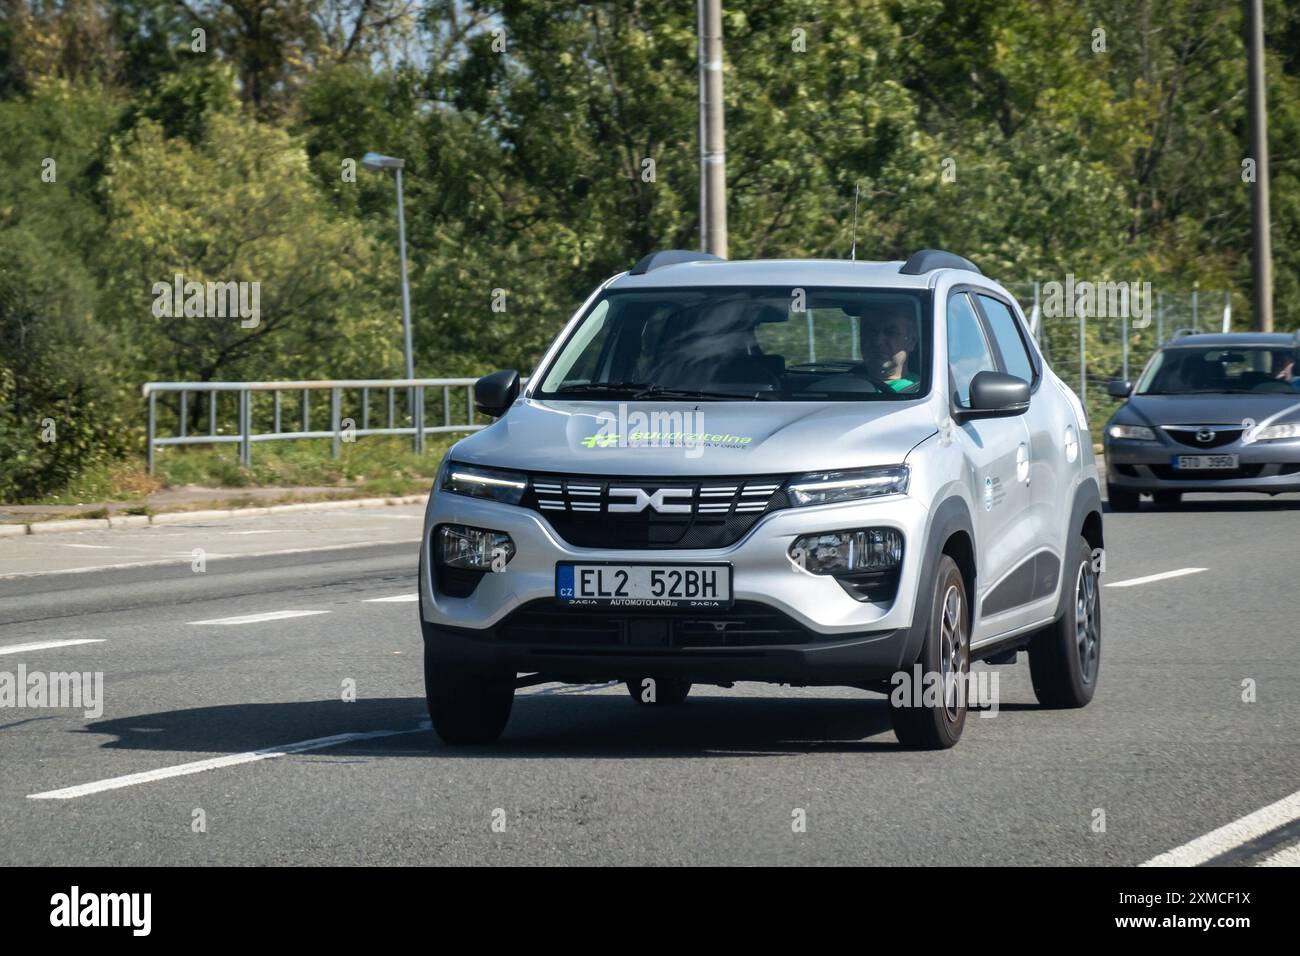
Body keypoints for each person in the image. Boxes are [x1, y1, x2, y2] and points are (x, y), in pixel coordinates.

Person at [862, 306, 919, 391]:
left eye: (891, 332)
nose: (878, 341)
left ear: (911, 342)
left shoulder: (919, 390)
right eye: (871, 331)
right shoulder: (845, 384)